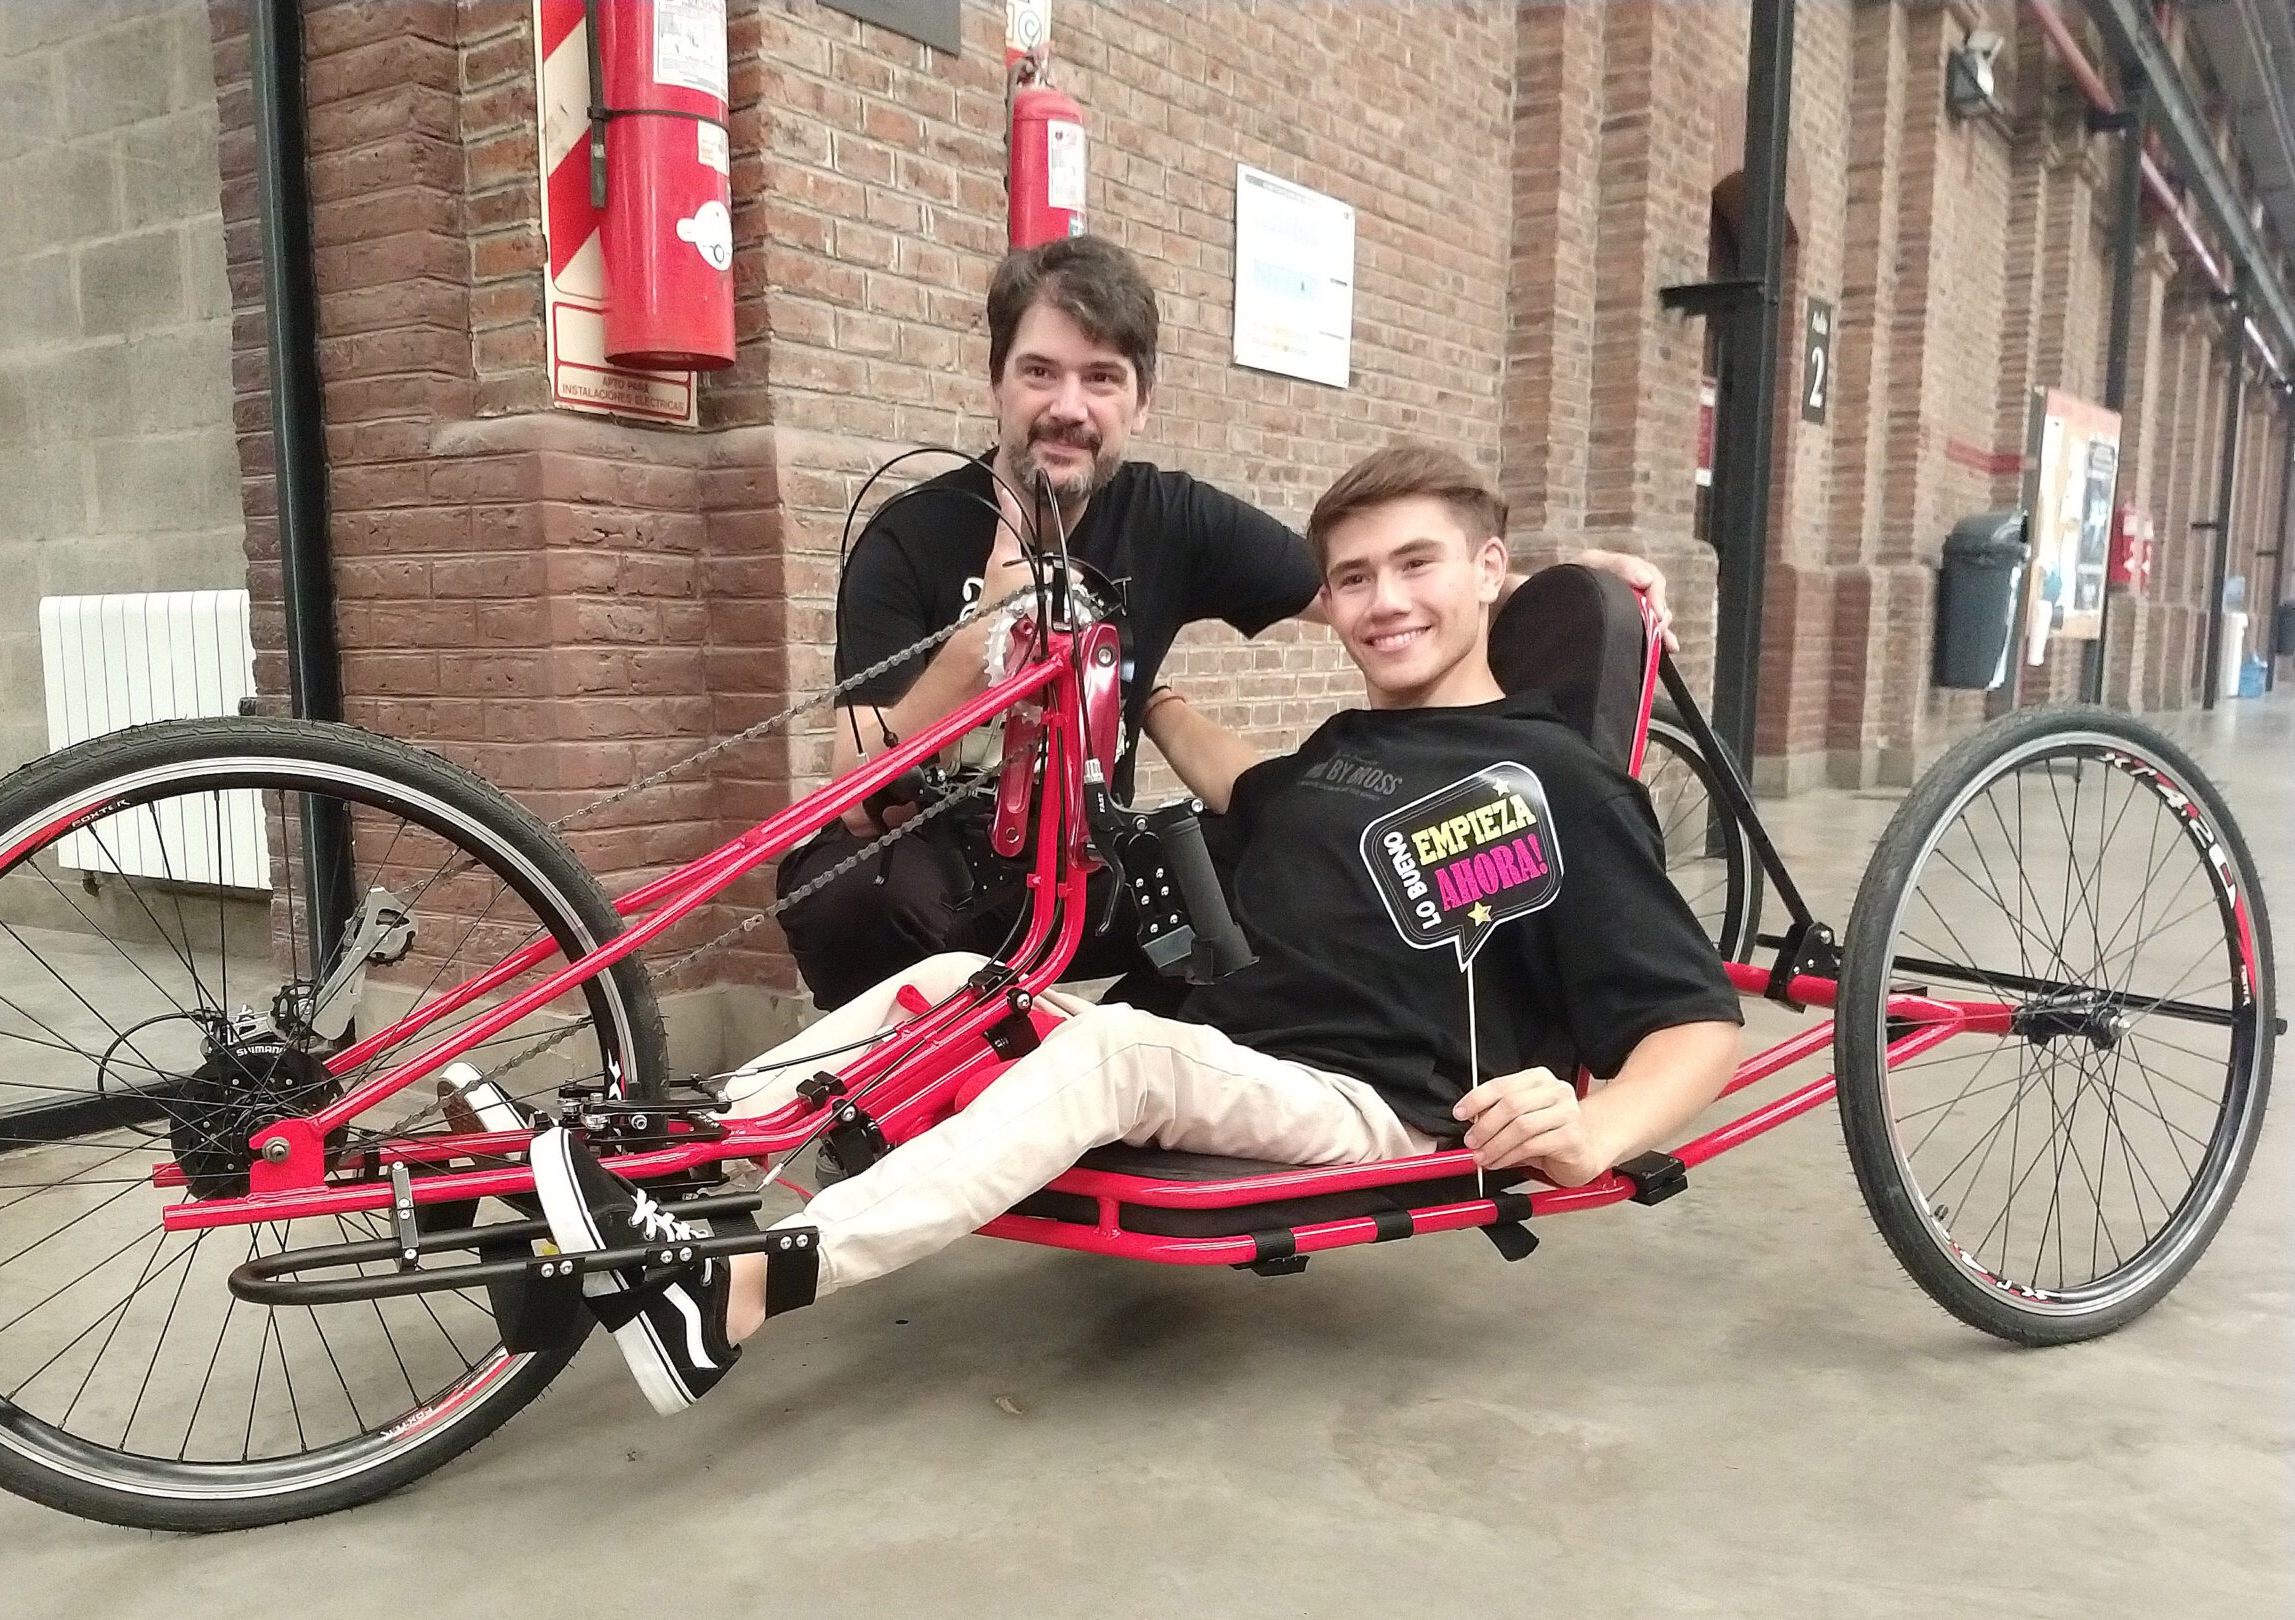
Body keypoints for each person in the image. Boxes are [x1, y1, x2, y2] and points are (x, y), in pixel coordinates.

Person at [534, 441, 1745, 1415]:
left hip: (1373, 1093)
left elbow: (1694, 1021)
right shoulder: (1341, 755)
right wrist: (1148, 687)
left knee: (1116, 1050)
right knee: (957, 979)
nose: (1384, 603)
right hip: (1229, 1052)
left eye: (1416, 566)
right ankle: (659, 1168)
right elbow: (1235, 777)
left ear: (1491, 572)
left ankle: (740, 1288)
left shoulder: (1555, 783)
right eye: (1357, 577)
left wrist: (1592, 1130)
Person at [775, 233, 1675, 1010]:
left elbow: (1359, 594)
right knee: (837, 891)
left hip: (1087, 861)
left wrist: (1529, 583)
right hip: (939, 864)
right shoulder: (912, 533)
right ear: (998, 383)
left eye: (1102, 379)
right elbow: (850, 773)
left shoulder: (1175, 518)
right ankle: (886, 1101)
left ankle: (1125, 1064)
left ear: (1141, 400)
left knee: (1274, 856)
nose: (1069, 407)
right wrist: (971, 659)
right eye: (1040, 372)